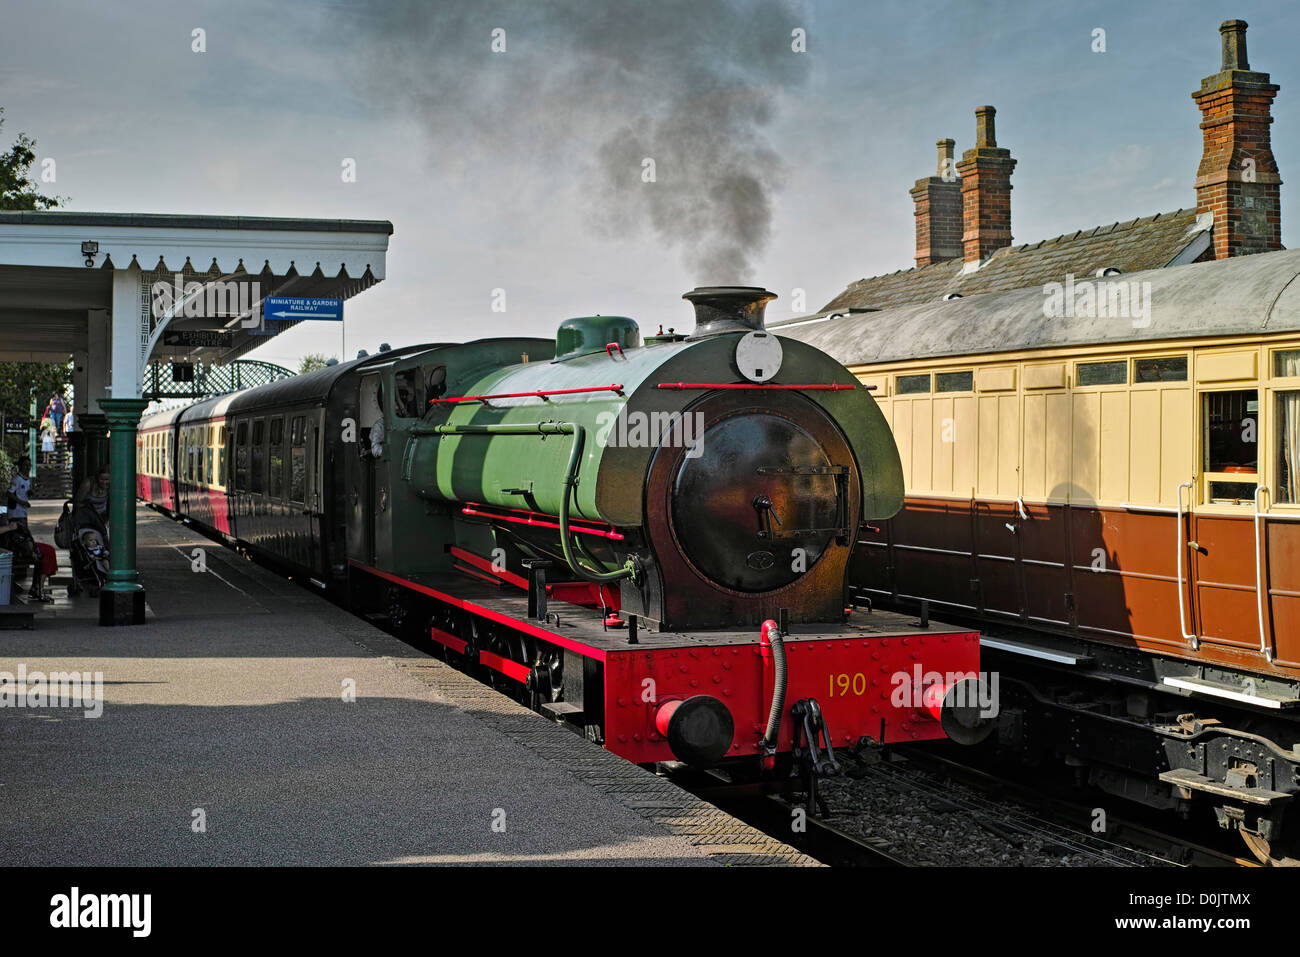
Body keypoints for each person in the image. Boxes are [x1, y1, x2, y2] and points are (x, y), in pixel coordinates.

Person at [3, 456, 51, 602]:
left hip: (23, 514)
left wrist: (29, 495)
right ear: (20, 466)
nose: (27, 467)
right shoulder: (16, 479)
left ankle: (36, 588)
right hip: (16, 515)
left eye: (29, 465)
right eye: (25, 465)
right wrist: (21, 502)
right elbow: (9, 493)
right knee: (26, 542)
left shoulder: (27, 480)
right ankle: (36, 588)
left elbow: (26, 492)